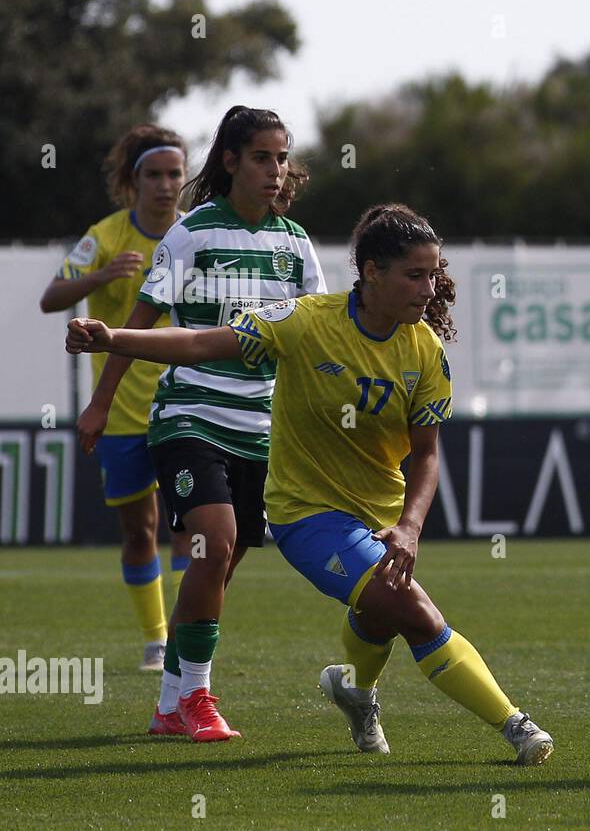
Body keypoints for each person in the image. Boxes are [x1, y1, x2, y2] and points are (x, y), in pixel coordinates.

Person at [67, 203, 554, 766]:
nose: (430, 287)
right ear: (371, 272)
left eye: (434, 273)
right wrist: (113, 339)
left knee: (380, 616)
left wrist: (411, 525)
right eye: (414, 274)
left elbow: (426, 454)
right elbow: (204, 344)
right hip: (308, 515)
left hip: (381, 520)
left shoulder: (425, 351)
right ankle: (516, 726)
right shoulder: (305, 320)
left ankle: (352, 688)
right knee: (414, 612)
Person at [86, 105, 326, 742]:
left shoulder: (296, 244)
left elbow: (312, 337)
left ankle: (169, 702)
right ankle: (197, 698)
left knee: (220, 563)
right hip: (189, 415)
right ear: (230, 161)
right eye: (261, 158)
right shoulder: (191, 235)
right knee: (212, 545)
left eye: (281, 158)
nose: (275, 171)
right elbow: (142, 319)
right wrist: (102, 401)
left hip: (261, 427)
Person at [40, 124, 191, 671]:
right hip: (122, 411)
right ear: (134, 181)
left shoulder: (193, 236)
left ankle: (182, 635)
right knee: (139, 528)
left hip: (183, 407)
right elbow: (51, 297)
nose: (166, 184)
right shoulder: (104, 235)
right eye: (154, 174)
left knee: (188, 527)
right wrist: (101, 275)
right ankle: (154, 638)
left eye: (175, 173)